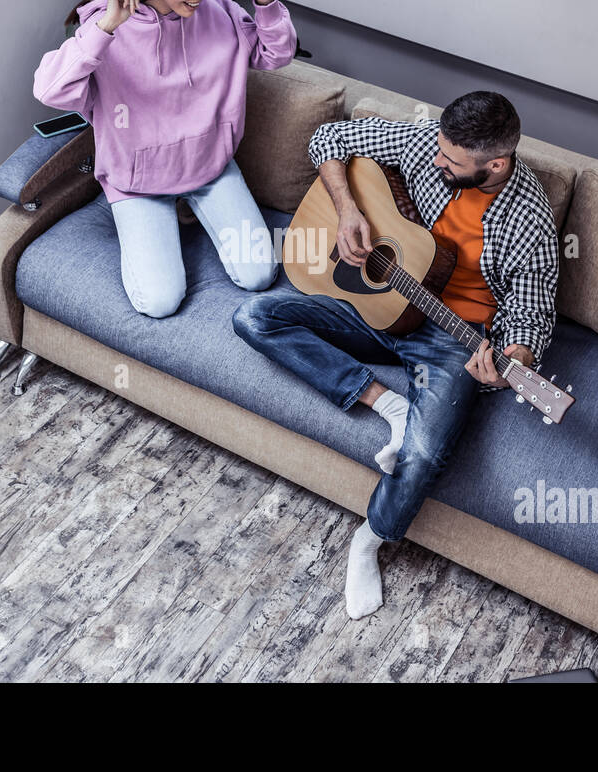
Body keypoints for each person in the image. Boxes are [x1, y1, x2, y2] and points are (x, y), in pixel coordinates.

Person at [231, 93, 559, 619]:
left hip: (454, 337)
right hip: (378, 309)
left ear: (494, 165)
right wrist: (347, 211)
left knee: (425, 453)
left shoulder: (530, 220)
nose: (436, 162)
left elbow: (530, 313)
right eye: (440, 151)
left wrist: (511, 357)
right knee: (253, 317)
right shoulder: (426, 143)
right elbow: (327, 139)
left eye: (451, 163)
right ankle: (386, 403)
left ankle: (370, 540)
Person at [34, 0, 298, 317]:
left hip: (209, 167)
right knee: (159, 302)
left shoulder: (221, 14)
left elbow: (274, 55)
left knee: (260, 274)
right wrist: (105, 29)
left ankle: (189, 209)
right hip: (139, 182)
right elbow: (50, 90)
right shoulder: (109, 23)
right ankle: (162, 219)